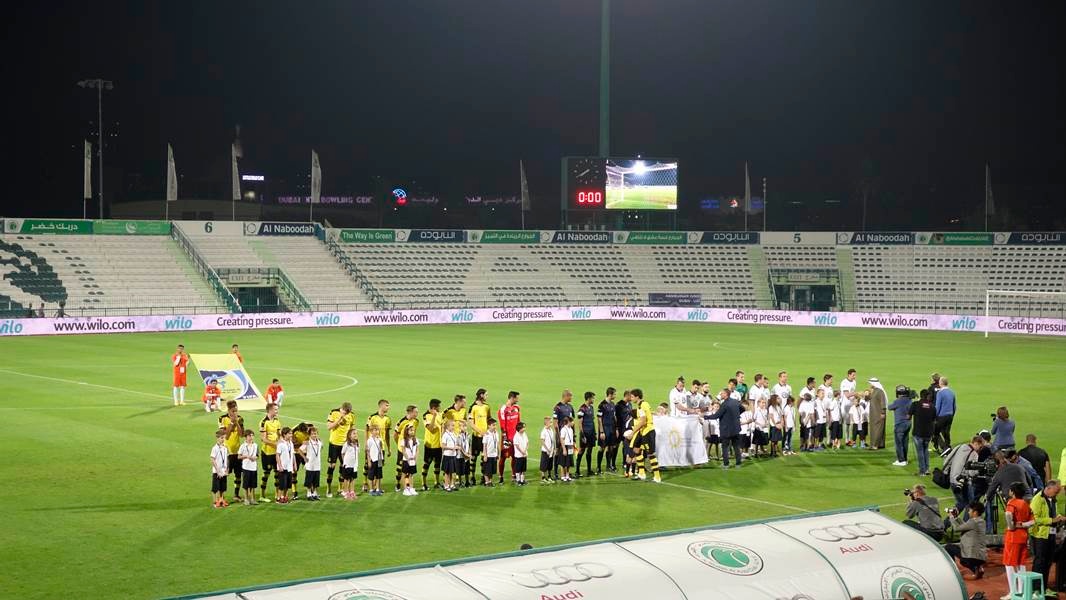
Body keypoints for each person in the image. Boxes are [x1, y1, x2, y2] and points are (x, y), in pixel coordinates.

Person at [1029, 479, 1064, 595]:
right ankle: (1035, 589)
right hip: (1039, 535)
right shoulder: (1037, 500)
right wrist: (1052, 520)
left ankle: (1043, 587)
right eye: (1056, 491)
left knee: (1048, 562)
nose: (1057, 494)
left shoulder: (1053, 499)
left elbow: (1052, 514)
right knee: (1039, 562)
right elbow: (1034, 519)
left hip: (1051, 534)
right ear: (1048, 488)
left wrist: (1058, 518)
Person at [1002, 482, 1036, 598]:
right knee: (1021, 564)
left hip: (1013, 538)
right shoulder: (1026, 504)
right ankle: (1023, 591)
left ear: (1013, 492)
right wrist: (1022, 525)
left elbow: (1008, 517)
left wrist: (1013, 526)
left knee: (1009, 564)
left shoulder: (1011, 503)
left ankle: (1013, 592)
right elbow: (1033, 521)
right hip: (1024, 537)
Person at [944, 500, 987, 580]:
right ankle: (977, 568)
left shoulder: (973, 522)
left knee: (948, 547)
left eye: (970, 510)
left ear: (975, 512)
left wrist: (951, 517)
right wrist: (956, 517)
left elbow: (956, 528)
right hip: (981, 556)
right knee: (963, 559)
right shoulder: (981, 521)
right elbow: (965, 526)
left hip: (971, 556)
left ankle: (954, 572)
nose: (968, 512)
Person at [944, 436, 987, 511]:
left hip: (952, 481)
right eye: (980, 447)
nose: (980, 449)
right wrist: (978, 471)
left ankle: (948, 520)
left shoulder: (959, 447)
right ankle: (966, 522)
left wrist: (946, 472)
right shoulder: (974, 454)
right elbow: (971, 472)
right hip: (964, 483)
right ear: (976, 443)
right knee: (971, 505)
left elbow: (947, 461)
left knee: (961, 503)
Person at [630, 389, 661, 483]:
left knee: (651, 454)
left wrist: (632, 432)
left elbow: (643, 421)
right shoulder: (642, 405)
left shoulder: (642, 405)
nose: (631, 399)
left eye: (632, 397)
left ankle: (657, 477)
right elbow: (647, 414)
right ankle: (642, 473)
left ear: (637, 397)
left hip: (648, 432)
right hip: (643, 432)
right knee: (636, 449)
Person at [707, 388, 742, 468]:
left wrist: (705, 417)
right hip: (736, 428)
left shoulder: (724, 404)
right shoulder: (735, 401)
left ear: (726, 394)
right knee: (736, 446)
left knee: (725, 447)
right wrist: (735, 415)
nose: (720, 395)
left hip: (726, 429)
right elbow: (742, 408)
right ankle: (738, 463)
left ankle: (726, 464)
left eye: (722, 393)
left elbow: (716, 415)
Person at [325, 402, 354, 498]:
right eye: (345, 412)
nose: (346, 414)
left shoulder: (351, 415)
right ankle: (328, 488)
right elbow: (329, 427)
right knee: (332, 466)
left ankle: (340, 488)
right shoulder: (333, 412)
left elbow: (351, 428)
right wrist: (339, 419)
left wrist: (352, 440)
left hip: (344, 445)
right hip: (334, 444)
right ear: (341, 409)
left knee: (343, 466)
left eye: (347, 413)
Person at [218, 400, 245, 498]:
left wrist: (237, 423)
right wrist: (231, 423)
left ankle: (236, 495)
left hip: (237, 452)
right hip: (227, 452)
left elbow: (242, 435)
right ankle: (221, 496)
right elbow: (226, 436)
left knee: (238, 475)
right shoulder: (222, 418)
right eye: (233, 411)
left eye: (236, 410)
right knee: (225, 474)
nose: (235, 413)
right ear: (228, 410)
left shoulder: (240, 418)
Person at [365, 399, 391, 493]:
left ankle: (377, 487)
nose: (388, 407)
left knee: (379, 469)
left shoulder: (387, 419)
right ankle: (367, 485)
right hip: (372, 447)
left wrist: (388, 448)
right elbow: (367, 430)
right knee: (370, 467)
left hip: (381, 447)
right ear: (381, 406)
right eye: (387, 405)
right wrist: (366, 444)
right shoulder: (372, 417)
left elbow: (387, 434)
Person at [909, 388, 936, 476]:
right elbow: (934, 420)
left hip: (918, 432)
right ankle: (927, 469)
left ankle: (922, 471)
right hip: (928, 433)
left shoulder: (915, 404)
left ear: (920, 395)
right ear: (928, 396)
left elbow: (908, 417)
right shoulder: (932, 406)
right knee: (925, 451)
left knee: (920, 451)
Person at [393, 405, 420, 493]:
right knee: (400, 469)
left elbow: (413, 434)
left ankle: (408, 487)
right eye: (416, 412)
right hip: (403, 449)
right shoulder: (401, 421)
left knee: (410, 470)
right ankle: (398, 484)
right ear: (410, 412)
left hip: (411, 449)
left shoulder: (416, 421)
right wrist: (400, 444)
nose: (417, 413)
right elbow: (395, 435)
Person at [258, 402, 281, 502]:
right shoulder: (263, 422)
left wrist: (281, 443)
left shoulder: (277, 421)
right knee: (266, 474)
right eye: (275, 409)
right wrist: (276, 444)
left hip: (276, 453)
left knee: (277, 474)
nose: (277, 411)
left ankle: (277, 494)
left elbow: (279, 435)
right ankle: (262, 495)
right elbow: (264, 439)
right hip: (267, 452)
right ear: (270, 410)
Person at [497, 391, 521, 484]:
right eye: (517, 398)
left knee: (515, 457)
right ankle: (501, 477)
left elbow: (518, 422)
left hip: (515, 438)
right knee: (503, 457)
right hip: (506, 438)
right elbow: (502, 425)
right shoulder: (503, 409)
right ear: (512, 398)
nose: (518, 400)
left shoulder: (517, 408)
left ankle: (514, 476)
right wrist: (505, 438)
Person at [467, 389, 490, 486]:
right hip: (476, 436)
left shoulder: (487, 407)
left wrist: (489, 432)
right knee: (473, 458)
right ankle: (472, 477)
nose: (487, 396)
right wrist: (480, 431)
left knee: (483, 457)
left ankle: (482, 476)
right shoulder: (473, 407)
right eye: (486, 394)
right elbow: (471, 423)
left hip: (485, 437)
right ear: (481, 395)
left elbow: (489, 419)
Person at [888, 385, 913, 467]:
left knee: (899, 443)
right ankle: (905, 459)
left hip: (900, 424)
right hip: (908, 424)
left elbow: (890, 407)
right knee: (905, 442)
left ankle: (901, 460)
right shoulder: (909, 400)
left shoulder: (898, 401)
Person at [552, 390, 575, 479]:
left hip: (569, 435)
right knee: (558, 452)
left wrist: (573, 435)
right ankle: (555, 472)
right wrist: (558, 435)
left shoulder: (570, 407)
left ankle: (566, 473)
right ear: (566, 396)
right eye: (570, 396)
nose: (571, 398)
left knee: (568, 453)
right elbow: (555, 422)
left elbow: (572, 421)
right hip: (561, 434)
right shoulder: (557, 407)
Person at [421, 399, 443, 491]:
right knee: (427, 464)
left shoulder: (439, 414)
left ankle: (437, 482)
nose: (440, 408)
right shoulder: (426, 416)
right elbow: (431, 428)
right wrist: (434, 416)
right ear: (434, 407)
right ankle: (424, 483)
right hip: (430, 445)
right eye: (438, 406)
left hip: (438, 445)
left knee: (437, 465)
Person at [575, 392, 597, 477]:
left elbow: (592, 421)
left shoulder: (591, 408)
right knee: (582, 450)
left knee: (590, 450)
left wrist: (594, 432)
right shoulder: (582, 409)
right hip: (585, 433)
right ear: (588, 398)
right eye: (593, 398)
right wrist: (582, 435)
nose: (594, 400)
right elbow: (580, 423)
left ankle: (589, 470)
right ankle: (577, 471)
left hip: (591, 433)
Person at [597, 387, 618, 474]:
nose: (615, 396)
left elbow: (614, 417)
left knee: (611, 447)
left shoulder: (613, 404)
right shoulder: (602, 405)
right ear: (610, 394)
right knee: (602, 447)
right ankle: (598, 467)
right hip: (605, 428)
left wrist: (616, 428)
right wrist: (601, 431)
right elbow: (599, 419)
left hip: (612, 428)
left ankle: (608, 465)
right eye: (614, 394)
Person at [933, 376, 956, 453]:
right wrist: (952, 415)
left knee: (935, 432)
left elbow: (938, 406)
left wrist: (934, 417)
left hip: (942, 416)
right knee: (946, 432)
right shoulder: (952, 392)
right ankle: (948, 447)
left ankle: (944, 448)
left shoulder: (940, 393)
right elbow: (954, 406)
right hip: (950, 415)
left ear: (941, 383)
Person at [866, 377, 888, 450]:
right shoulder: (874, 391)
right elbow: (868, 398)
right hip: (874, 413)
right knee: (876, 429)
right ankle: (880, 444)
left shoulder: (880, 391)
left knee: (877, 429)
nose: (869, 385)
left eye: (870, 383)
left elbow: (883, 403)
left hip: (878, 413)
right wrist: (866, 395)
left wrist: (882, 412)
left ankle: (875, 445)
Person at [300, 426, 322, 501]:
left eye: (315, 434)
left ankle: (315, 493)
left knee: (316, 480)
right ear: (309, 435)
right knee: (309, 480)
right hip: (310, 464)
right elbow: (300, 450)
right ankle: (309, 493)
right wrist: (304, 457)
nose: (314, 435)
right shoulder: (308, 442)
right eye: (312, 434)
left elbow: (320, 448)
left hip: (317, 464)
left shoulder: (319, 442)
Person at [237, 430, 259, 505]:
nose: (251, 437)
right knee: (246, 485)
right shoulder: (243, 446)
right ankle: (246, 499)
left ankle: (252, 499)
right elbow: (239, 456)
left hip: (253, 467)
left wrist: (255, 458)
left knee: (253, 485)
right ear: (246, 437)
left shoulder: (255, 445)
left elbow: (257, 455)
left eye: (252, 435)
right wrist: (246, 456)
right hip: (246, 467)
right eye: (249, 436)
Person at [275, 427, 295, 504]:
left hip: (289, 467)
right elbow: (277, 455)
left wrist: (294, 464)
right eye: (289, 433)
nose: (291, 435)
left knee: (288, 484)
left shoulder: (291, 443)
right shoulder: (281, 444)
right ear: (284, 434)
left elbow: (292, 454)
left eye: (291, 433)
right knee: (282, 484)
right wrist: (280, 466)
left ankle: (284, 497)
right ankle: (279, 498)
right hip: (283, 467)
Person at [210, 430, 230, 508]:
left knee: (222, 487)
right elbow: (212, 459)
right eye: (222, 438)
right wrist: (218, 470)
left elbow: (227, 458)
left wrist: (227, 469)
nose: (223, 439)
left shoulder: (225, 447)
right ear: (217, 438)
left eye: (224, 438)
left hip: (223, 470)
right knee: (215, 487)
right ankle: (215, 502)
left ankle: (221, 500)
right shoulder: (214, 448)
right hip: (217, 471)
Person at [340, 428, 360, 501]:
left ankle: (352, 491)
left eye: (356, 433)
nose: (355, 435)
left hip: (354, 465)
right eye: (354, 433)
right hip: (348, 464)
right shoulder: (346, 444)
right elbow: (343, 453)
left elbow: (357, 453)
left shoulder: (357, 443)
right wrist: (344, 462)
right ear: (349, 435)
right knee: (347, 479)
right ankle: (345, 492)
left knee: (352, 478)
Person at [400, 425, 420, 496]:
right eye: (411, 430)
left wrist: (416, 458)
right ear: (407, 431)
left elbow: (417, 450)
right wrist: (407, 458)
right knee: (404, 474)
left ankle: (411, 488)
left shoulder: (416, 440)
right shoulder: (403, 441)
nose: (412, 432)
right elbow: (403, 451)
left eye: (413, 430)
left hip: (413, 461)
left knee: (411, 475)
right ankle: (405, 489)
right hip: (406, 460)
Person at [441, 420, 459, 492]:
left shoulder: (453, 434)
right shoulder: (445, 435)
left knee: (452, 471)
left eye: (454, 425)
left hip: (453, 455)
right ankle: (446, 485)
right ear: (448, 426)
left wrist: (456, 447)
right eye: (452, 425)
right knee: (447, 472)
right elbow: (443, 446)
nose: (453, 427)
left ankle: (451, 484)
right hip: (447, 455)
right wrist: (452, 448)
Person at [365, 425, 384, 497]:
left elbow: (381, 448)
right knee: (371, 475)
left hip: (379, 459)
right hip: (373, 459)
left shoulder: (379, 439)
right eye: (375, 430)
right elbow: (367, 451)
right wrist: (369, 461)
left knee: (379, 475)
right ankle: (371, 489)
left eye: (377, 430)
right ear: (371, 431)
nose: (376, 432)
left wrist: (382, 459)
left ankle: (378, 489)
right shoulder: (369, 440)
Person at [481, 418, 498, 487]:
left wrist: (498, 453)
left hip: (494, 454)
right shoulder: (486, 434)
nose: (495, 426)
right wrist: (485, 455)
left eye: (495, 425)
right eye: (493, 425)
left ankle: (490, 481)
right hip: (488, 455)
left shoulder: (496, 433)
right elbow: (484, 446)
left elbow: (497, 444)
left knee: (492, 470)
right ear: (489, 426)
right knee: (486, 470)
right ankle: (487, 482)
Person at [558, 416, 575, 482]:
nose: (573, 423)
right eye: (572, 421)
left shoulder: (571, 429)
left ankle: (567, 475)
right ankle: (562, 476)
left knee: (569, 462)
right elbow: (562, 439)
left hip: (570, 446)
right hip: (565, 446)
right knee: (563, 462)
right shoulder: (563, 429)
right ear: (569, 422)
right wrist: (564, 449)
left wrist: (573, 447)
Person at [512, 421, 529, 485]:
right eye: (523, 428)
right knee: (518, 469)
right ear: (519, 428)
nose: (524, 429)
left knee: (523, 469)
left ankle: (522, 480)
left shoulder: (524, 434)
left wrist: (525, 450)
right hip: (519, 455)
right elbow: (516, 446)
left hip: (524, 454)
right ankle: (518, 480)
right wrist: (522, 452)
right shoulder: (516, 436)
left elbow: (527, 442)